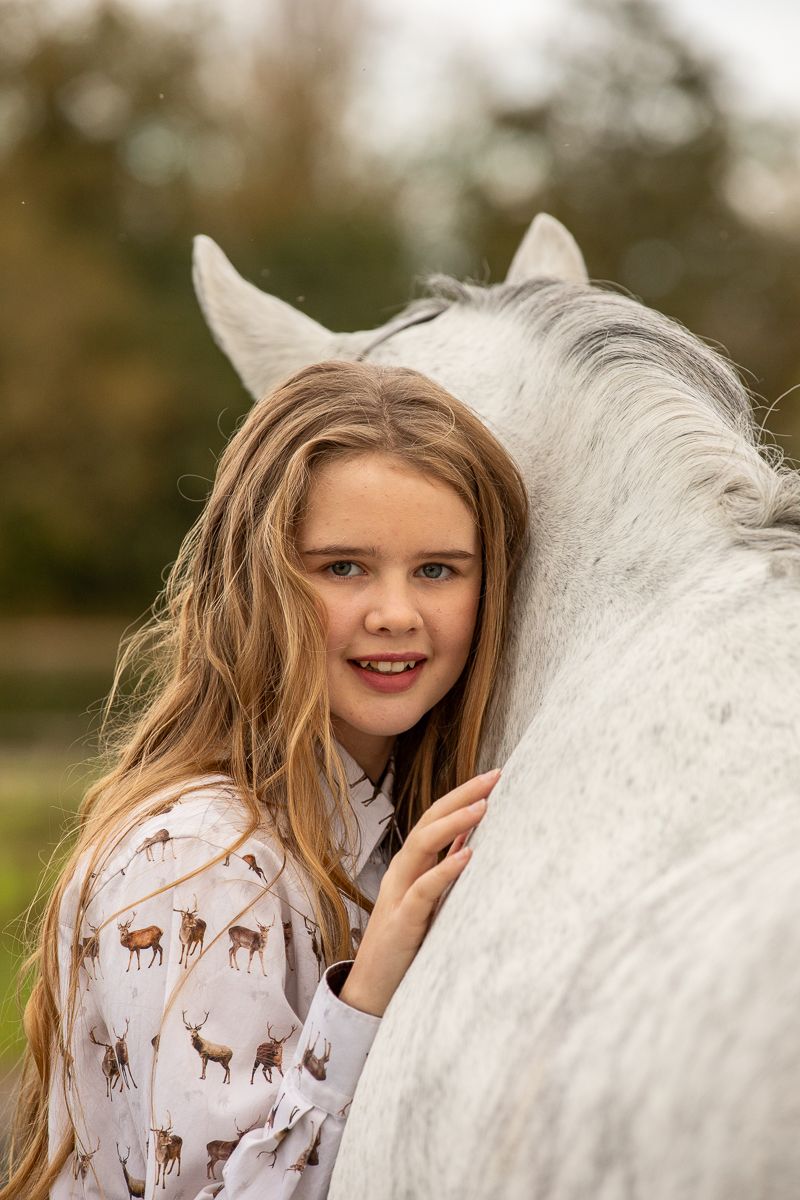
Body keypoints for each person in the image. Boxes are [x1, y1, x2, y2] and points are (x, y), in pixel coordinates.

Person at [4, 359, 529, 1199]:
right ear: (256, 581)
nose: (395, 612)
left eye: (438, 570)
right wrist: (364, 994)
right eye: (343, 567)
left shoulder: (398, 828)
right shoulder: (199, 860)